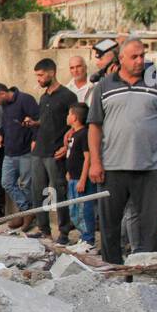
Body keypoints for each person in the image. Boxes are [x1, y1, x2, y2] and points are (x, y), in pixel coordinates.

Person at [87, 39, 157, 265]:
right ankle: (112, 269)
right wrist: (95, 162)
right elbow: (94, 126)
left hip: (150, 168)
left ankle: (144, 268)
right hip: (112, 168)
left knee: (150, 225)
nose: (140, 61)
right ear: (121, 60)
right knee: (109, 225)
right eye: (134, 57)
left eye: (142, 56)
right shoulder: (104, 86)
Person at [29, 58, 77, 243]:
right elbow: (44, 121)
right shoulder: (43, 97)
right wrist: (34, 127)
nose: (39, 79)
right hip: (39, 151)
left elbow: (75, 123)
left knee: (59, 192)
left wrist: (66, 146)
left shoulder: (68, 96)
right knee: (38, 192)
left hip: (55, 152)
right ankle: (44, 229)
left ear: (51, 72)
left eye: (41, 75)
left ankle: (64, 232)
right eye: (37, 76)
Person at [0, 82, 39, 227]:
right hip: (9, 152)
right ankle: (26, 210)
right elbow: (5, 122)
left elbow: (38, 120)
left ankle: (26, 215)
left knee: (25, 185)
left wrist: (35, 140)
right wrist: (0, 134)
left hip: (25, 152)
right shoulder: (4, 105)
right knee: (6, 182)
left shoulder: (26, 100)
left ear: (3, 94)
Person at [64, 103, 97, 250]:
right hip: (73, 178)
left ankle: (88, 240)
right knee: (74, 211)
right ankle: (82, 236)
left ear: (75, 117)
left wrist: (83, 179)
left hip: (81, 180)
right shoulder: (74, 134)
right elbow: (72, 155)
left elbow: (87, 158)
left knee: (85, 210)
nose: (67, 117)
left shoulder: (84, 134)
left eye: (69, 114)